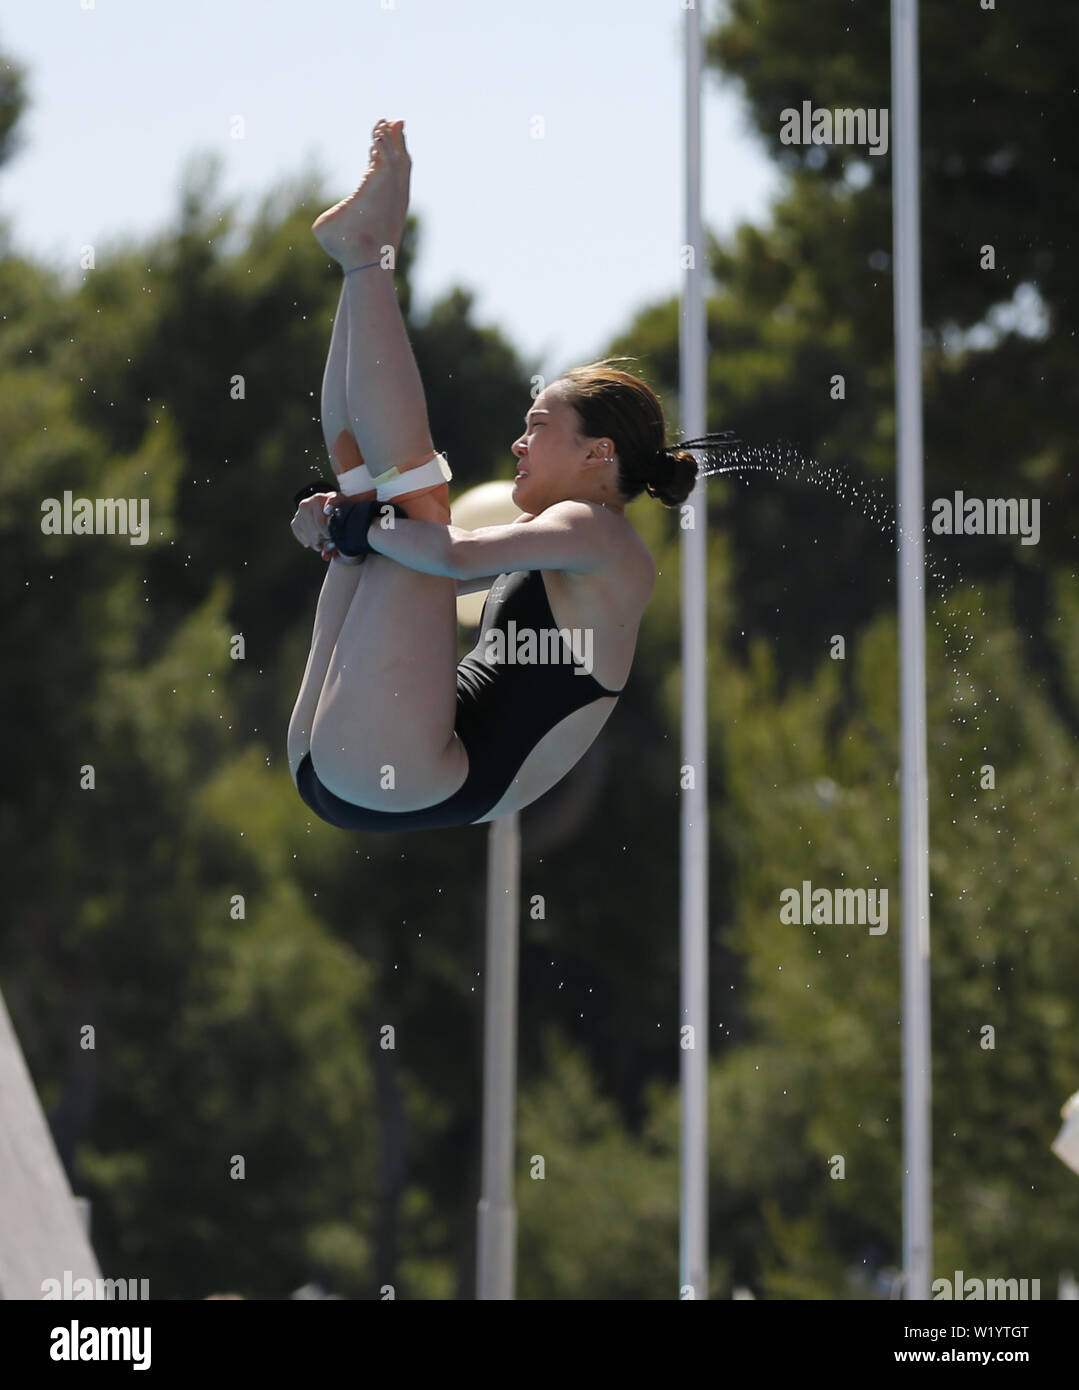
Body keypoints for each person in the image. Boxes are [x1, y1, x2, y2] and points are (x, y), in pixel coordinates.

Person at [287, 119, 715, 832]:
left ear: (597, 453)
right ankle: (362, 259)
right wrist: (343, 521)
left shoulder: (594, 533)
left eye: (537, 426)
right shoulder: (564, 541)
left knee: (408, 508)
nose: (518, 444)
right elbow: (425, 556)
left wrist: (346, 527)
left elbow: (450, 557)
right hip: (363, 768)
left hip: (407, 771)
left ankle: (366, 257)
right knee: (377, 495)